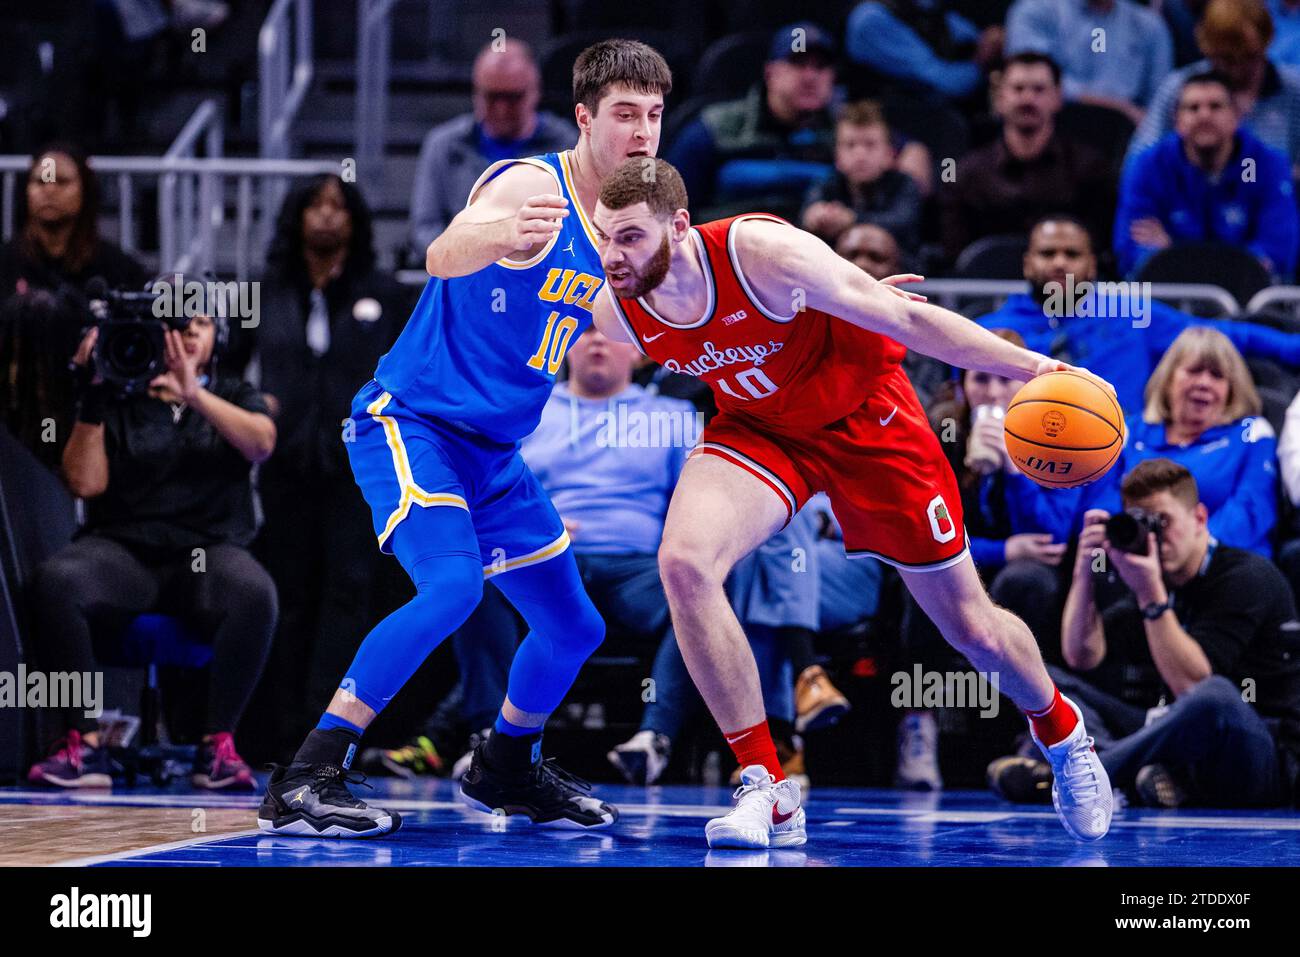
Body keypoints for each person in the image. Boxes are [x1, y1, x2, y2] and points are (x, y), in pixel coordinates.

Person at [591, 157, 1116, 849]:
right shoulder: (615, 306)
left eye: (628, 237)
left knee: (971, 626)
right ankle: (766, 783)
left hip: (867, 419)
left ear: (681, 226)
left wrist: (1034, 368)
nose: (611, 255)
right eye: (603, 236)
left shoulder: (760, 252)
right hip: (763, 430)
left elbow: (906, 317)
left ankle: (1062, 732)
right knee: (685, 562)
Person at [256, 39, 674, 838]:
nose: (643, 133)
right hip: (412, 423)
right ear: (585, 119)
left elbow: (642, 329)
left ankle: (506, 764)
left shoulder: (620, 226)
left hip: (495, 456)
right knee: (452, 588)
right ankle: (310, 768)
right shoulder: (529, 183)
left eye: (654, 115)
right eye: (625, 114)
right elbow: (443, 251)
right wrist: (500, 240)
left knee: (574, 626)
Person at [27, 308, 277, 790]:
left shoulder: (230, 393)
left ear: (216, 338)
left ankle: (217, 748)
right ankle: (87, 743)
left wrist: (194, 394)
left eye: (197, 326)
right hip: (125, 552)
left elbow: (261, 443)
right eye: (172, 327)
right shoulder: (115, 394)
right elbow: (83, 482)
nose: (183, 337)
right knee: (58, 582)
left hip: (207, 554)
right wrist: (94, 396)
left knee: (255, 592)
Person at [989, 459, 1300, 809]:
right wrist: (1084, 573)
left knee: (1214, 696)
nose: (1154, 537)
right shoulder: (1144, 570)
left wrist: (1151, 594)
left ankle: (1076, 779)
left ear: (1199, 518)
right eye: (1142, 524)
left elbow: (1192, 684)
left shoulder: (1248, 577)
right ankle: (1132, 779)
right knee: (1042, 679)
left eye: (1162, 522)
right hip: (1171, 735)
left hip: (1259, 752)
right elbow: (1082, 656)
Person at [252, 174, 414, 753]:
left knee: (349, 591)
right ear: (296, 217)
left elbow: (405, 372)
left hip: (360, 467)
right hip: (286, 464)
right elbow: (232, 368)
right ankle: (281, 729)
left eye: (337, 206)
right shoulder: (268, 289)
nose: (325, 216)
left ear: (355, 220)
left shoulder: (385, 290)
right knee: (288, 592)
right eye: (314, 205)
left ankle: (334, 732)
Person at [975, 214, 1300, 412]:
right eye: (1048, 253)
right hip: (1026, 461)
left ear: (1091, 265)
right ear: (1028, 263)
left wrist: (1291, 348)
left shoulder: (1129, 312)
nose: (1060, 262)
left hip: (1122, 460)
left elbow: (1220, 335)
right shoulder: (990, 333)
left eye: (1071, 254)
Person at [1034, 326, 1280, 556]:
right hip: (1133, 558)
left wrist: (1184, 553)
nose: (1204, 383)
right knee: (1097, 565)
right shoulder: (1129, 431)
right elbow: (1103, 501)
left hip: (1225, 563)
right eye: (1194, 371)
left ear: (1231, 389)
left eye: (1217, 375)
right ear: (1168, 378)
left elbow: (1251, 511)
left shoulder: (1252, 433)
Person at [0, 143, 147, 470]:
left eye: (61, 181)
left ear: (86, 191)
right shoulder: (5, 263)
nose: (48, 190)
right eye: (39, 181)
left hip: (94, 419)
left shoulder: (117, 269)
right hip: (13, 421)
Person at [1115, 71, 1298, 278]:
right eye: (1193, 108)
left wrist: (1173, 252)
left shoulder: (1267, 165)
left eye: (1215, 106)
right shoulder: (1148, 166)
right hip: (1167, 301)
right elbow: (1132, 252)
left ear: (1236, 117)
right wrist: (1234, 261)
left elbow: (1276, 252)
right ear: (1177, 121)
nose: (1204, 115)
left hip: (1247, 301)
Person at [938, 52, 1114, 263]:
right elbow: (956, 258)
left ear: (1057, 97)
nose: (1028, 99)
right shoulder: (966, 174)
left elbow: (1097, 251)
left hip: (1067, 294)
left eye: (1039, 89)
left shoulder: (1090, 168)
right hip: (986, 292)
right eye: (1018, 89)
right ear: (1000, 98)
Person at [409, 39, 575, 253]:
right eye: (492, 97)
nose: (501, 109)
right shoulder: (444, 145)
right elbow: (425, 228)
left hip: (542, 271)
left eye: (512, 98)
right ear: (476, 93)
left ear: (535, 92)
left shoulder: (567, 145)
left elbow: (577, 224)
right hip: (464, 271)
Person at [665, 22, 837, 212]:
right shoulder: (714, 130)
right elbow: (668, 210)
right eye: (798, 64)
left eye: (820, 67)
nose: (810, 77)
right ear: (770, 73)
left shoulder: (843, 135)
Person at [1127, 0, 1300, 172]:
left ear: (1267, 42)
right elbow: (1138, 162)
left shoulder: (1294, 90)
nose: (1237, 70)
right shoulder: (1180, 87)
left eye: (1248, 57)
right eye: (1227, 59)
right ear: (1207, 48)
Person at [1005, 0, 1174, 123]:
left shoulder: (1150, 26)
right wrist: (1118, 107)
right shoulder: (1034, 12)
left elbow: (1159, 102)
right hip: (1054, 125)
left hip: (1126, 138)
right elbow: (1027, 79)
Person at [800, 101, 923, 255]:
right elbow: (808, 214)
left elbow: (902, 222)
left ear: (889, 154)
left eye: (870, 145)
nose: (860, 155)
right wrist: (816, 218)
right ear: (837, 156)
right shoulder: (826, 183)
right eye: (850, 145)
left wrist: (851, 220)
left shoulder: (904, 184)